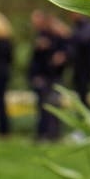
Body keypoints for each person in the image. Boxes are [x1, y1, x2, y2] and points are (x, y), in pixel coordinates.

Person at [28, 10, 69, 140]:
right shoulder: (40, 36)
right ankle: (43, 133)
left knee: (53, 104)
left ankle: (53, 133)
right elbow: (36, 60)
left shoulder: (58, 37)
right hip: (43, 76)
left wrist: (60, 57)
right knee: (43, 106)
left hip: (53, 76)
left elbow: (67, 53)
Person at [68, 12, 90, 105]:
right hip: (78, 68)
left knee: (85, 95)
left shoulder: (88, 26)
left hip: (86, 68)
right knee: (80, 96)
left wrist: (69, 36)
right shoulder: (76, 27)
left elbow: (85, 41)